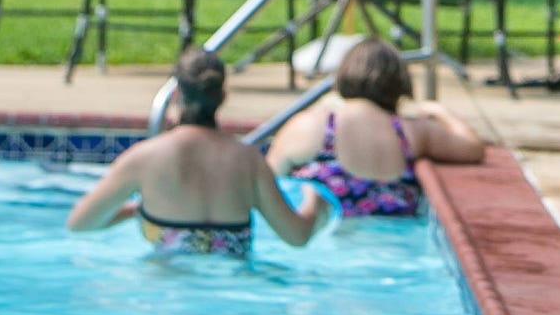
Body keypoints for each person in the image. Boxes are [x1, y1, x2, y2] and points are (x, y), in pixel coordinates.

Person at [65, 46, 328, 256]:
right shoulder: (249, 161)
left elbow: (80, 223)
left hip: (166, 294)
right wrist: (315, 198)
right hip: (232, 293)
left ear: (176, 95)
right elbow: (297, 237)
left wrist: (136, 210)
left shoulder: (143, 158)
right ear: (222, 97)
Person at [265, 37, 485, 218]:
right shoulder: (410, 132)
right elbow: (473, 148)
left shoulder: (310, 125)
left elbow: (266, 183)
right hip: (394, 242)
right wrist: (440, 111)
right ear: (400, 84)